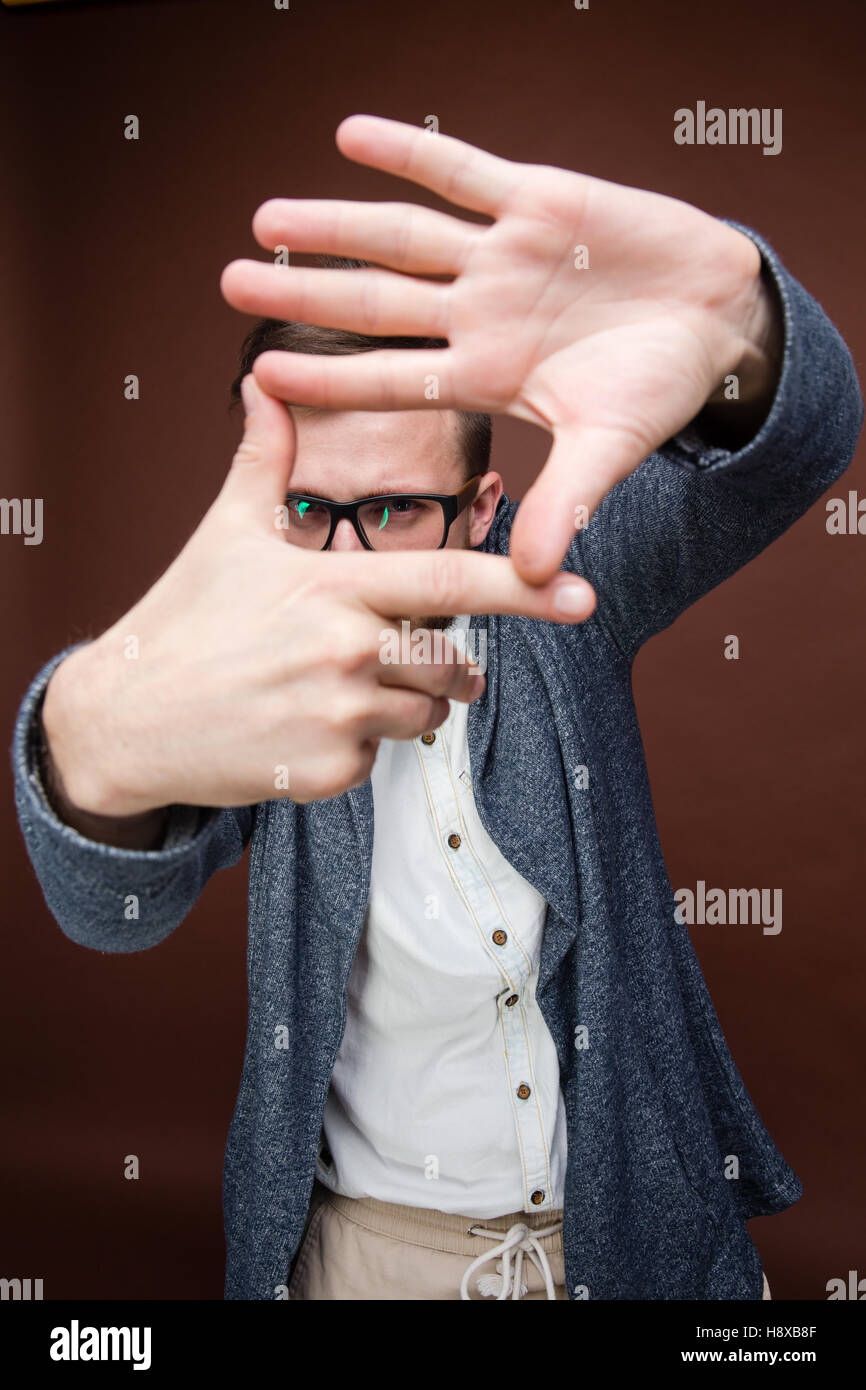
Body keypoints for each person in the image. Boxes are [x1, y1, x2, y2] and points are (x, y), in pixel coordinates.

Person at [12, 115, 862, 1301]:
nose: (349, 563)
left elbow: (790, 452)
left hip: (629, 1244)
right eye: (311, 511)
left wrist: (739, 330)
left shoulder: (561, 575)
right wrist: (87, 735)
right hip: (362, 1255)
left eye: (400, 509)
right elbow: (110, 914)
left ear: (481, 508)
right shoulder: (240, 662)